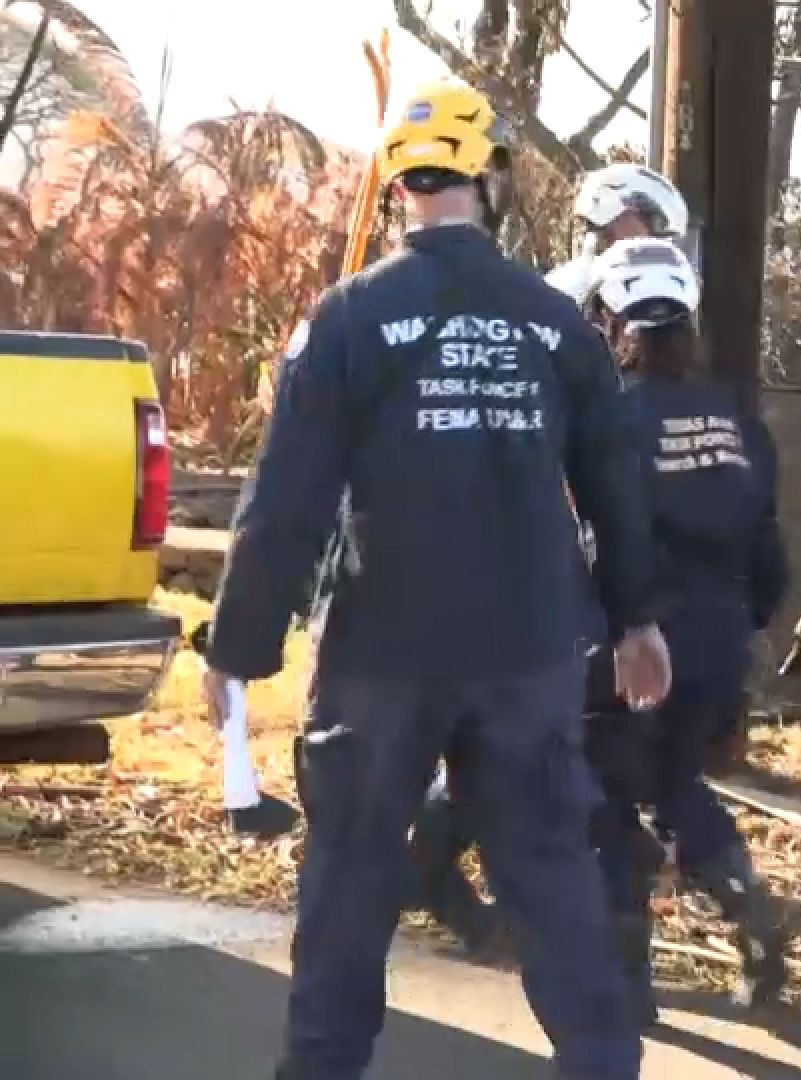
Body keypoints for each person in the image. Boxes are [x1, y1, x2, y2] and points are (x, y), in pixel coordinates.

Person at [199, 76, 672, 1080]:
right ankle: (601, 1063)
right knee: (551, 878)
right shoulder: (555, 323)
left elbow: (285, 498)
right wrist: (637, 620)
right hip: (529, 647)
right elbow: (616, 484)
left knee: (350, 880)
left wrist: (238, 646)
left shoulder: (349, 318)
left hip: (383, 649)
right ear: (489, 178)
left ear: (396, 186)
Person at [407, 161, 692, 948]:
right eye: (642, 225)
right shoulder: (559, 305)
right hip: (523, 560)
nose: (653, 243)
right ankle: (429, 863)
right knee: (509, 741)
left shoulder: (624, 311)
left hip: (568, 578)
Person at [581, 236, 791, 1011]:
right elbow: (769, 546)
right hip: (721, 636)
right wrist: (746, 627)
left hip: (637, 638)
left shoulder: (611, 421)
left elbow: (605, 539)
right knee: (677, 784)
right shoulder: (736, 419)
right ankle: (746, 904)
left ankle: (625, 977)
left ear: (612, 322)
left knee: (604, 791)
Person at [546, 163, 691, 306]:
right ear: (609, 211)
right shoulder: (570, 291)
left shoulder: (648, 287)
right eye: (651, 220)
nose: (658, 241)